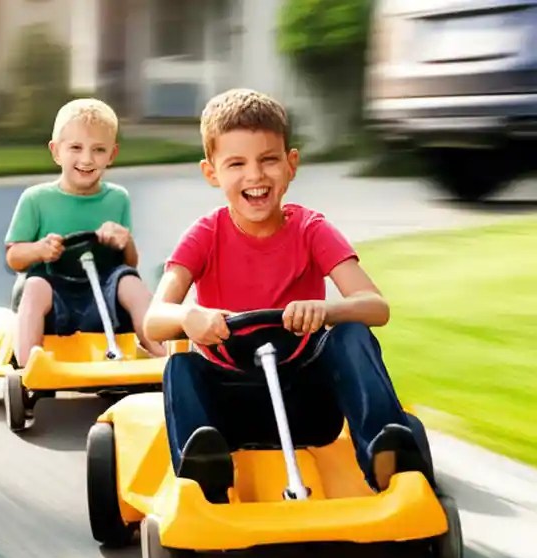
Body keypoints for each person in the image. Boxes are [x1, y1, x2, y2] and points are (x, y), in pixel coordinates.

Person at [143, 87, 433, 503]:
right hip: (233, 406)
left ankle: (388, 456)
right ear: (212, 173)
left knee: (352, 335)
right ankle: (204, 471)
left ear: (291, 164)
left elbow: (377, 307)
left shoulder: (311, 230)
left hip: (308, 402)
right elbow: (155, 319)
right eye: (236, 164)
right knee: (181, 367)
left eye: (268, 160)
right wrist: (191, 316)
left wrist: (328, 310)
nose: (255, 176)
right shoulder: (204, 235)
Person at [4, 98, 165, 368]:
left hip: (103, 290)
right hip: (54, 292)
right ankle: (29, 364)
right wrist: (39, 249)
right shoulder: (36, 199)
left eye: (98, 150)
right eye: (76, 148)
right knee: (34, 285)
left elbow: (130, 263)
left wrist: (124, 240)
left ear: (112, 155)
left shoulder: (117, 199)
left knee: (130, 282)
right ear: (56, 152)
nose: (87, 159)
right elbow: (14, 257)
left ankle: (160, 353)